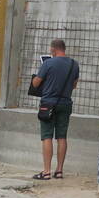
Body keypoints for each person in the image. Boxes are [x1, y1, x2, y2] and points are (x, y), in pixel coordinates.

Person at [31, 38, 80, 180]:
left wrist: (41, 77)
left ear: (53, 49)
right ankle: (59, 171)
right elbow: (74, 85)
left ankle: (46, 172)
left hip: (48, 104)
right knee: (62, 137)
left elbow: (36, 83)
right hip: (65, 103)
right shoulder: (74, 64)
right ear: (64, 49)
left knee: (46, 136)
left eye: (51, 50)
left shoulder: (48, 63)